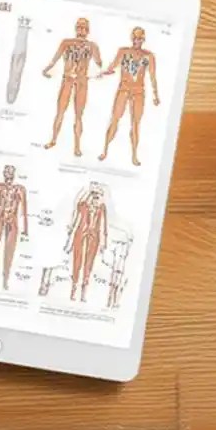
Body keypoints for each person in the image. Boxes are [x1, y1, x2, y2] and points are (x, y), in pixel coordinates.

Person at [98, 26, 159, 166]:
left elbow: (152, 76)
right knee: (115, 119)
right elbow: (112, 66)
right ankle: (105, 150)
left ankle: (134, 155)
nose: (137, 41)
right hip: (124, 89)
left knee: (136, 123)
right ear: (132, 38)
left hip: (138, 91)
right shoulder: (123, 51)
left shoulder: (149, 56)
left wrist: (156, 94)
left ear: (143, 39)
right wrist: (104, 72)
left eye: (140, 38)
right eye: (135, 38)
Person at [42, 18, 103, 156]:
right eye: (79, 27)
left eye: (84, 28)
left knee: (78, 115)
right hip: (68, 79)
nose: (81, 31)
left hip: (82, 81)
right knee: (60, 111)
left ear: (88, 31)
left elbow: (99, 63)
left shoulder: (92, 46)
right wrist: (46, 70)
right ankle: (53, 139)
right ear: (76, 28)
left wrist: (97, 69)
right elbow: (55, 59)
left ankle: (77, 146)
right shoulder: (67, 43)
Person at [66, 183, 108, 303]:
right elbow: (75, 218)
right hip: (80, 235)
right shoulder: (83, 206)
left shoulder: (102, 208)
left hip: (93, 238)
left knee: (88, 264)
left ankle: (83, 292)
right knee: (77, 262)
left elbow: (104, 226)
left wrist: (103, 242)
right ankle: (73, 290)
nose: (96, 199)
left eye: (98, 197)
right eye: (94, 196)